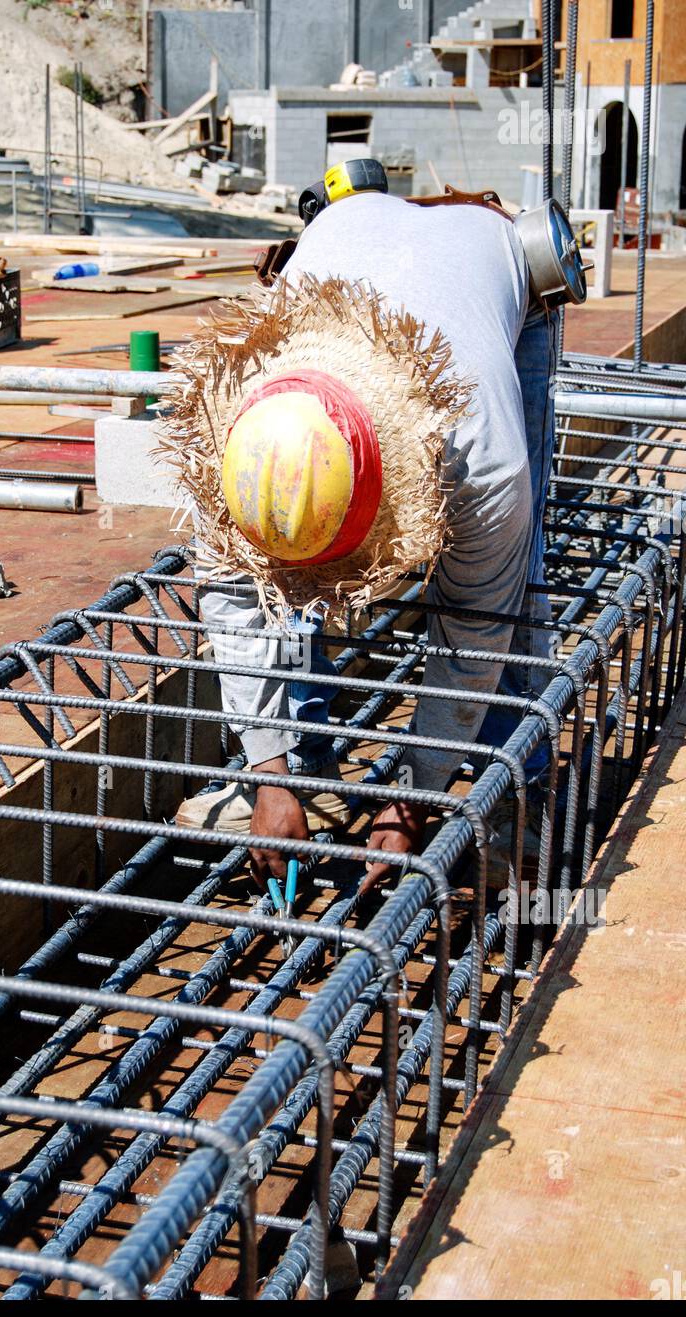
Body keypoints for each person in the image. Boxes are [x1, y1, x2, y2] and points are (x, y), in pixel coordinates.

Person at [167, 186, 559, 892]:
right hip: (348, 233)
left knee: (513, 579)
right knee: (288, 568)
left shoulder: (480, 445)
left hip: (502, 269)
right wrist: (268, 772)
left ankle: (515, 788)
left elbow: (473, 630)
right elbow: (234, 598)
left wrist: (412, 796)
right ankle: (306, 768)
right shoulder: (234, 436)